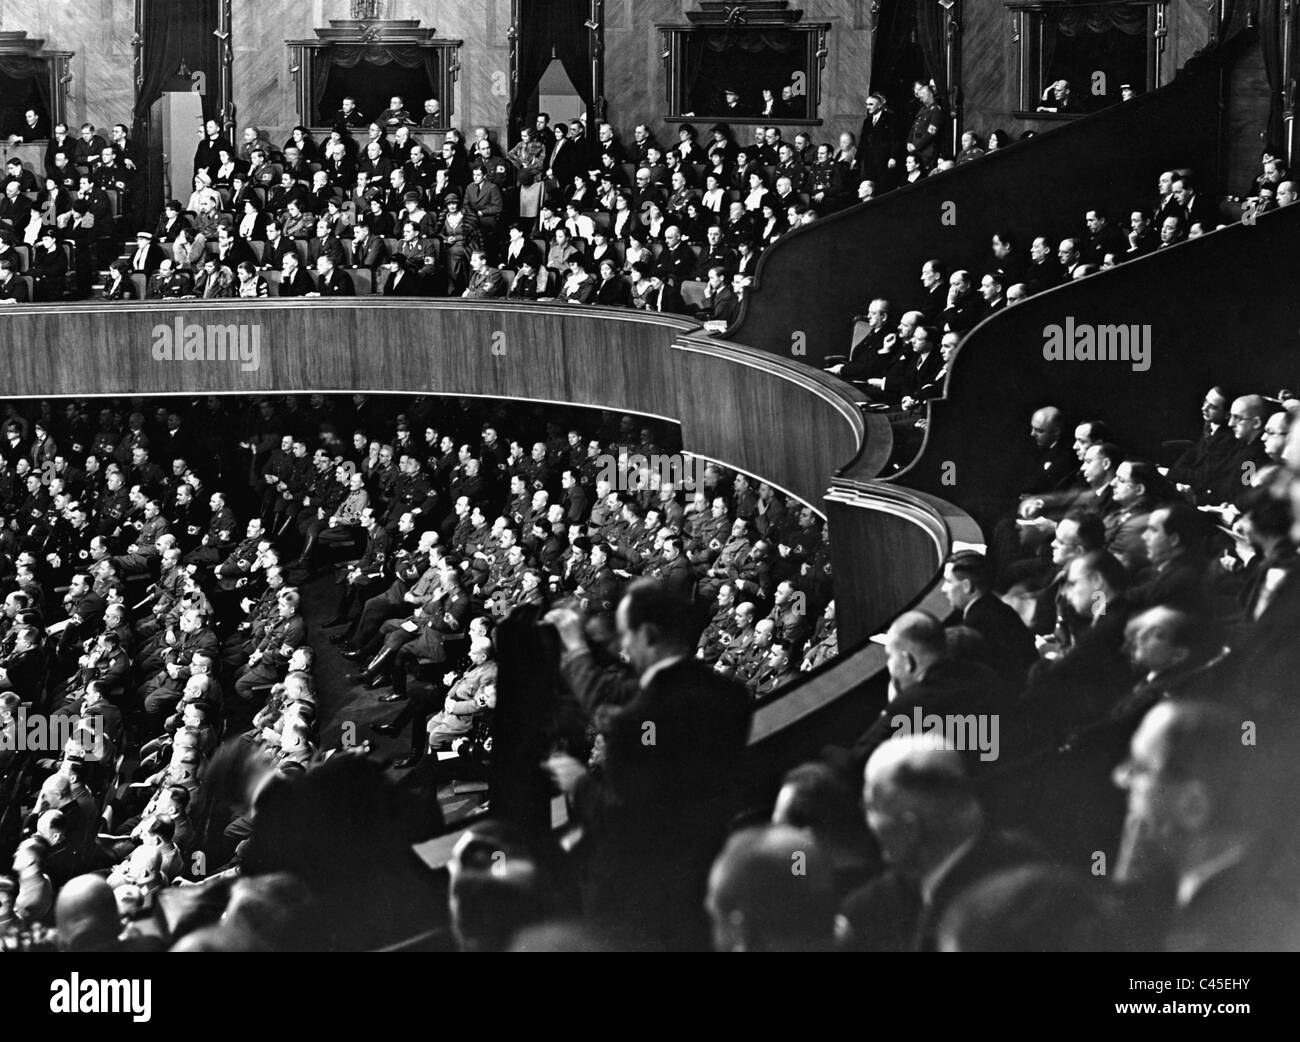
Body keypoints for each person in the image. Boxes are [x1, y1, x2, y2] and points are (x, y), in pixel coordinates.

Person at [545, 579, 752, 949]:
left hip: (644, 897)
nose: (623, 646)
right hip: (707, 870)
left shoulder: (641, 719)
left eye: (627, 636)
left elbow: (626, 820)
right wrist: (578, 651)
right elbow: (615, 696)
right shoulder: (728, 695)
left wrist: (578, 782)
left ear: (650, 635)